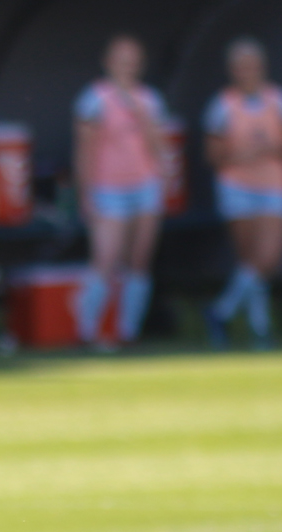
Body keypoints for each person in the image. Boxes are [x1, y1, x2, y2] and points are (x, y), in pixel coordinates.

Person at [73, 34, 169, 349]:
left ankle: (128, 332)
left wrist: (141, 115)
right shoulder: (94, 99)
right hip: (107, 188)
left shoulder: (150, 100)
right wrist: (85, 193)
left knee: (139, 261)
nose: (126, 66)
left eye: (132, 60)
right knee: (106, 259)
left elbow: (158, 147)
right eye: (120, 59)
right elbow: (84, 150)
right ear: (108, 62)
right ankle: (86, 331)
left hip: (145, 186)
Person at [202, 39, 282, 349]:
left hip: (274, 186)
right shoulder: (222, 105)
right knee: (249, 260)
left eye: (252, 65)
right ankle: (260, 329)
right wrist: (241, 155)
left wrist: (271, 148)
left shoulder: (281, 101)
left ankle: (221, 310)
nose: (247, 72)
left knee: (268, 259)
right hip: (237, 187)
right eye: (241, 67)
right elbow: (213, 154)